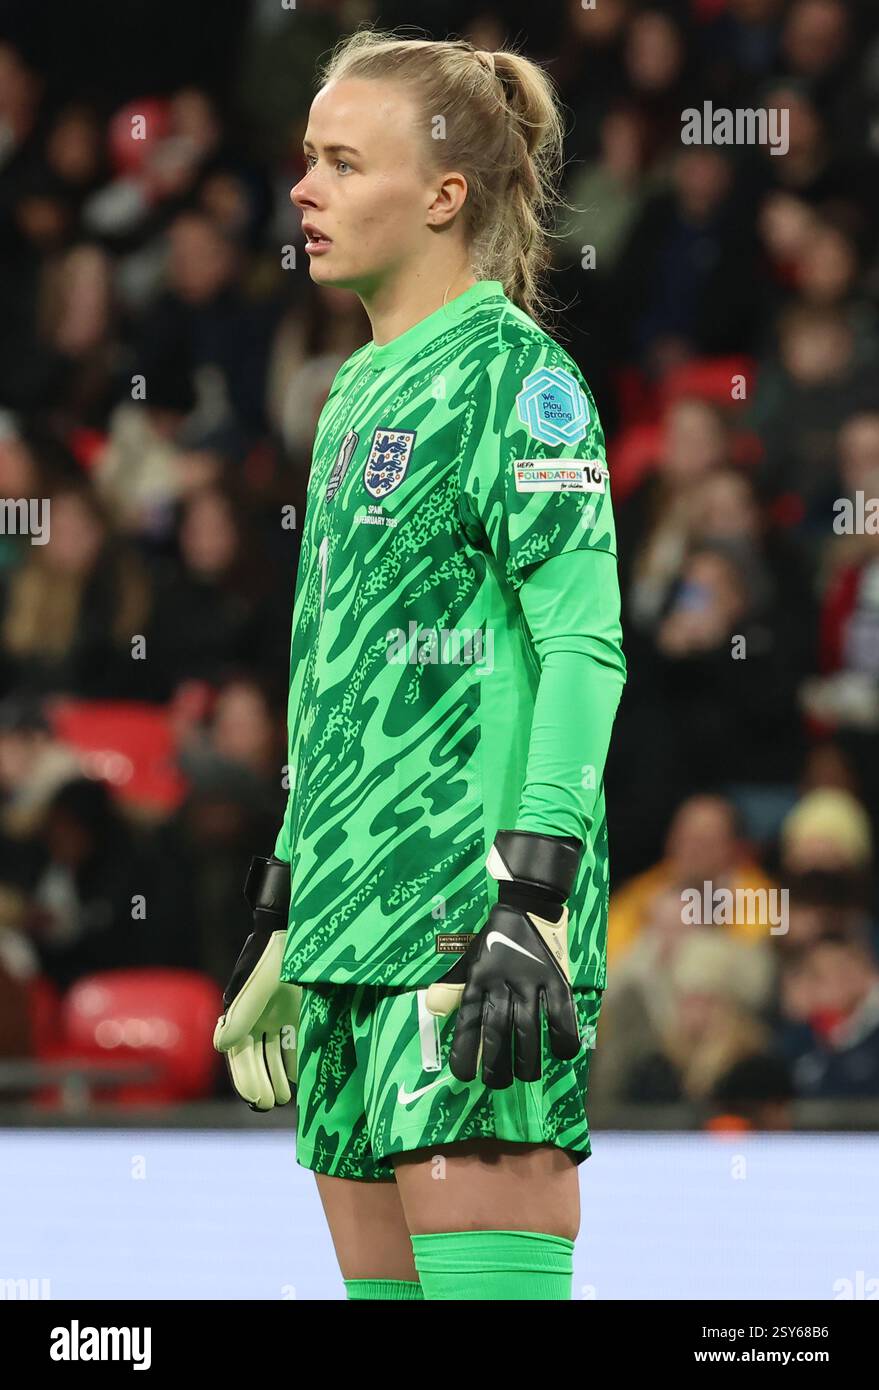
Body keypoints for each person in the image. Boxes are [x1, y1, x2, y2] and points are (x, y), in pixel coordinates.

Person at [213, 30, 626, 1302]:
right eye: (306, 160)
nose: (305, 189)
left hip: (470, 934)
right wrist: (290, 893)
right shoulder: (348, 394)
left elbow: (583, 644)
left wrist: (535, 904)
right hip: (346, 932)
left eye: (343, 162)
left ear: (445, 195)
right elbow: (337, 666)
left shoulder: (519, 380)